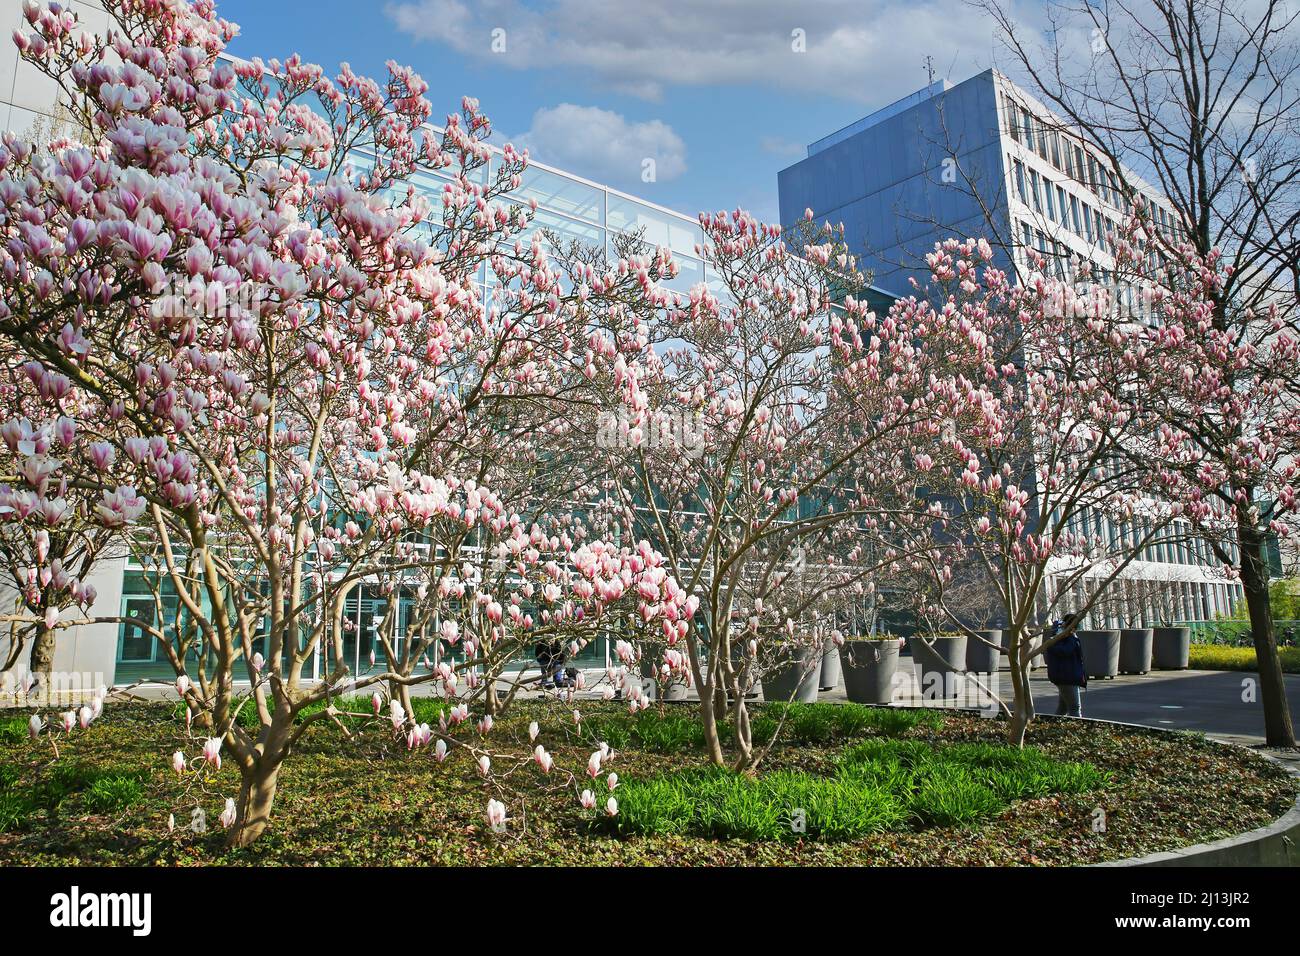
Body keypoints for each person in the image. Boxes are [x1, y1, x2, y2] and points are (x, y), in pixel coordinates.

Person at [1043, 612, 1086, 717]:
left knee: (1063, 708)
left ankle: (1054, 727)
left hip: (1065, 676)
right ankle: (1075, 729)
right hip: (1067, 677)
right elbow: (1066, 651)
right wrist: (1071, 636)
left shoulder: (1060, 638)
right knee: (1075, 708)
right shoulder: (1065, 639)